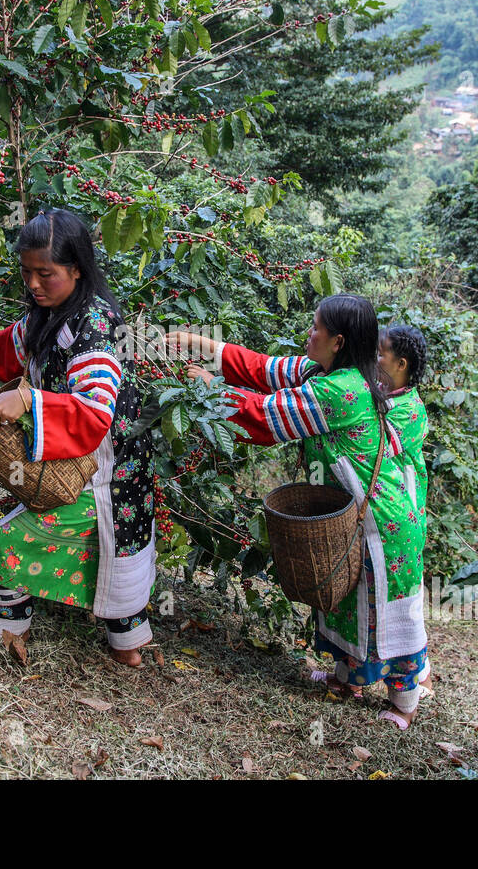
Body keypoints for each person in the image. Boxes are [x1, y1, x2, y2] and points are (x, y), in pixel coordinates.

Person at [167, 295, 428, 727]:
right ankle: (346, 679)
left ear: (338, 341)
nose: (309, 334)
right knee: (345, 598)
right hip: (352, 517)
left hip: (383, 525)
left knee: (385, 611)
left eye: (316, 328)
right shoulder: (326, 372)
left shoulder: (342, 391)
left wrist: (210, 387)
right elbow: (264, 369)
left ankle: (405, 701)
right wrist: (202, 345)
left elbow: (264, 418)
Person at [0, 209, 156, 666]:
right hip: (83, 465)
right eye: (26, 272)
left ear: (77, 270)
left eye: (45, 274)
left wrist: (28, 400)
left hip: (105, 471)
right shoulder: (51, 311)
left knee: (7, 544)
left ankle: (7, 637)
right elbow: (20, 340)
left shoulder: (96, 326)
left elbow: (93, 412)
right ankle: (128, 644)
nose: (33, 284)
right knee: (111, 555)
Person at [379, 324, 433, 701]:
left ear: (400, 364)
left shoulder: (410, 409)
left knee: (402, 598)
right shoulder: (382, 393)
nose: (374, 358)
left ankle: (413, 686)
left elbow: (378, 443)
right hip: (382, 513)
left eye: (380, 353)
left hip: (401, 513)